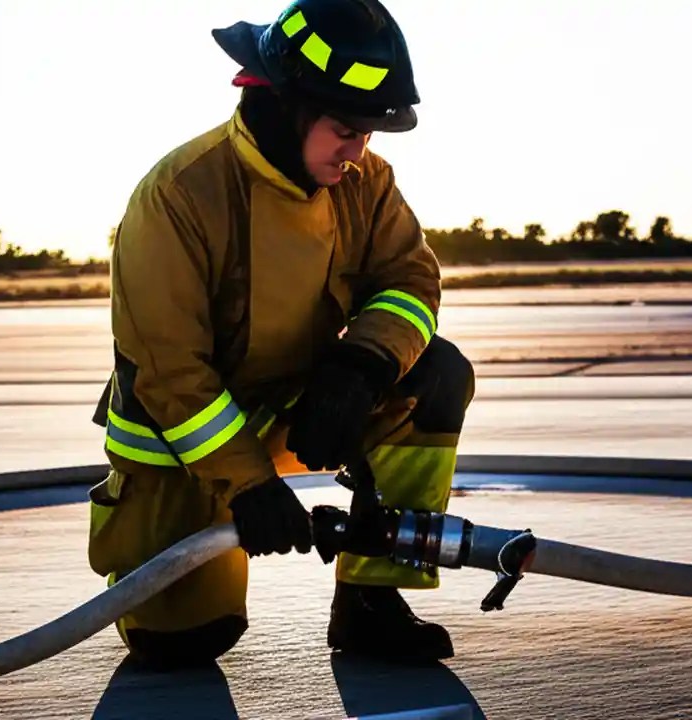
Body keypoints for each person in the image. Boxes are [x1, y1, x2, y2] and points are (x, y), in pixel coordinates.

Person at [87, 0, 475, 669]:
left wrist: (360, 368)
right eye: (345, 129)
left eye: (369, 134)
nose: (358, 151)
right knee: (182, 641)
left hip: (302, 409)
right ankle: (163, 580)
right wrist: (247, 483)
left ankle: (372, 598)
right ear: (288, 105)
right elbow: (170, 371)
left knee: (437, 374)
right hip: (188, 440)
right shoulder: (179, 196)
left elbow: (412, 282)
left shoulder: (365, 181)